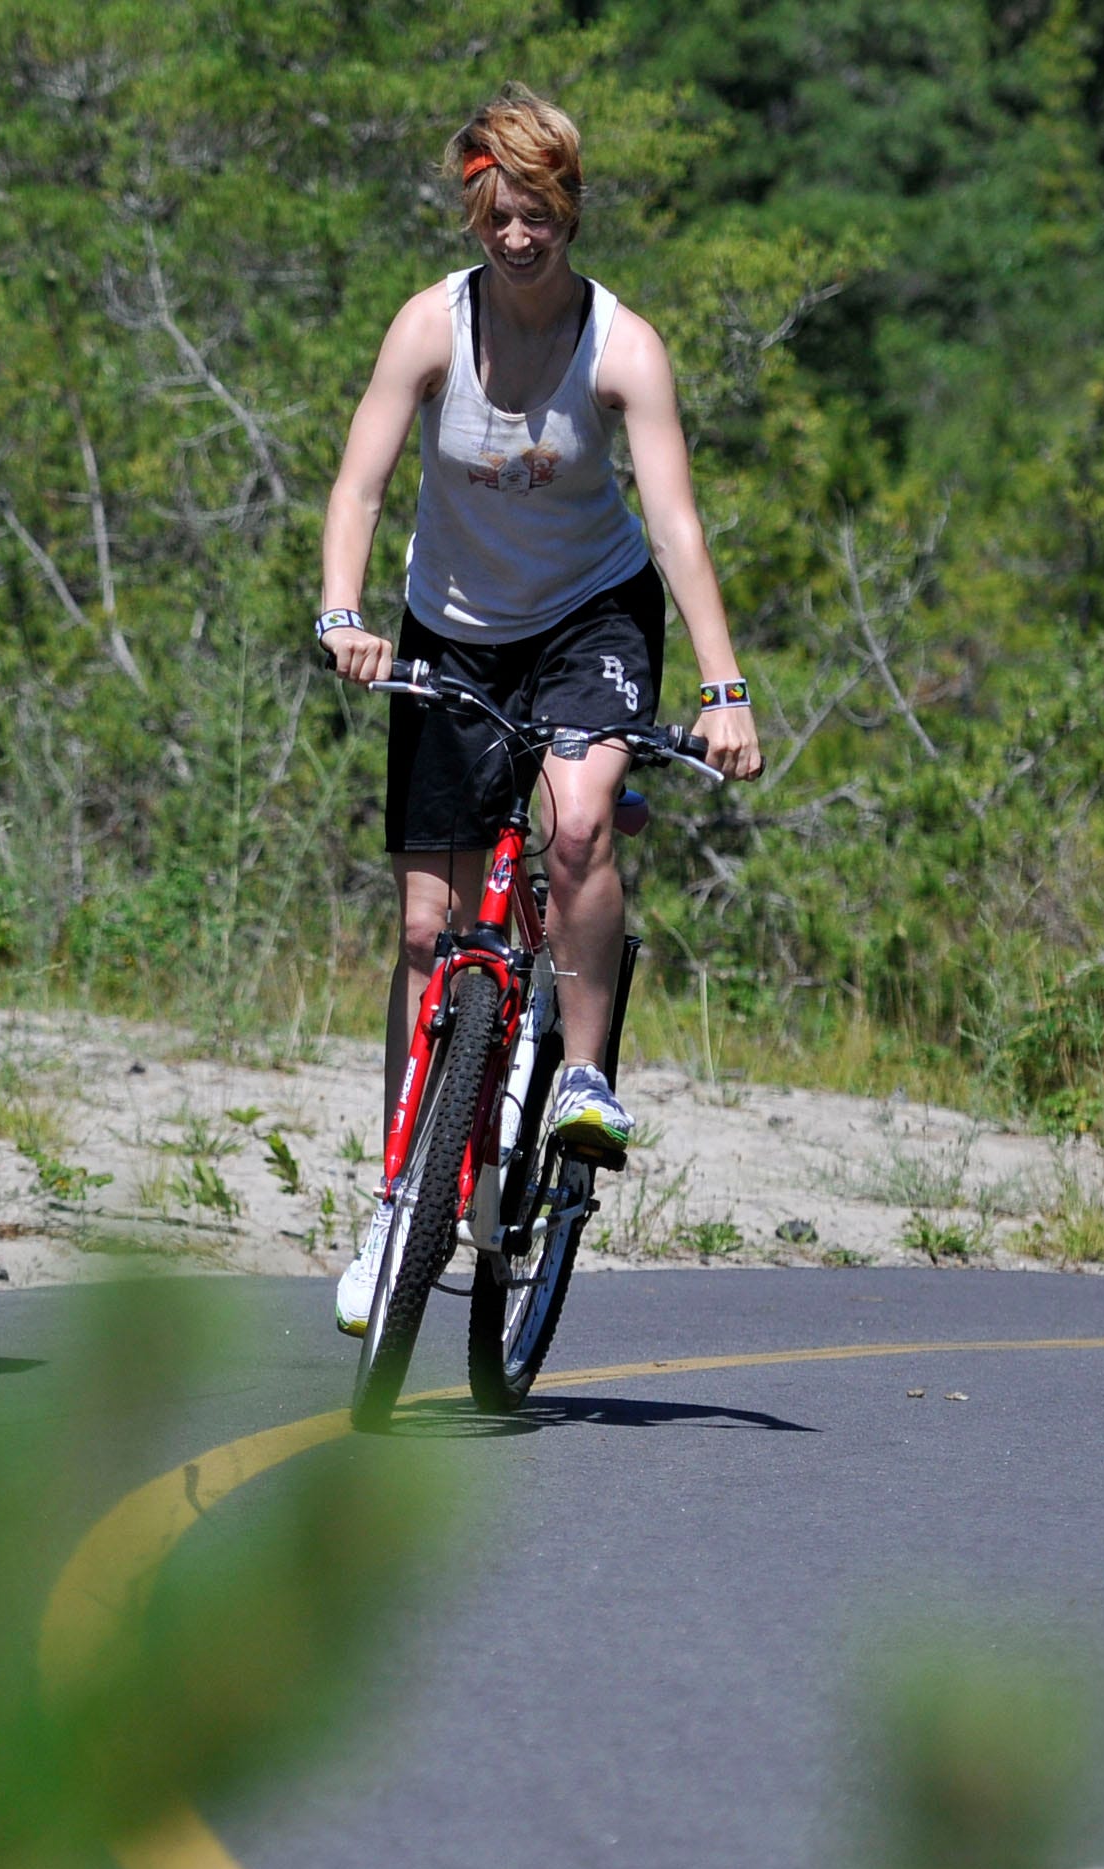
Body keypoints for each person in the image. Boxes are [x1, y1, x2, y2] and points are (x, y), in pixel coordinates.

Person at [316, 87, 765, 1336]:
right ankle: (400, 1197)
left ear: (573, 214)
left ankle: (580, 1076)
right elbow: (359, 485)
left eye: (543, 217)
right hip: (452, 624)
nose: (520, 239)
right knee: (427, 929)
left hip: (589, 618)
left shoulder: (624, 348)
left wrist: (725, 689)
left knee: (577, 826)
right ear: (475, 212)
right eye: (500, 216)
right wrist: (343, 612)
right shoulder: (430, 326)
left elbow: (675, 527)